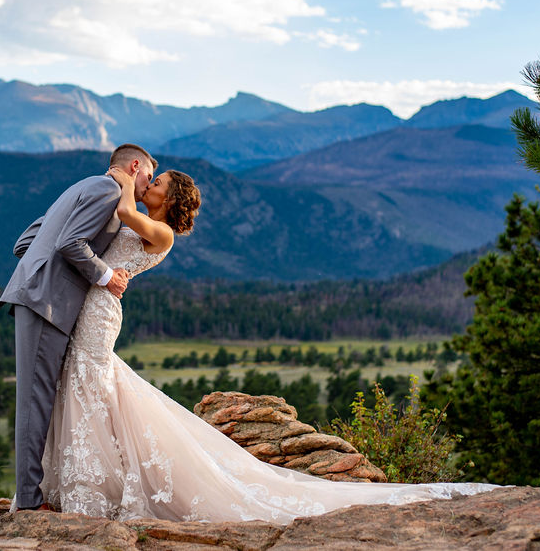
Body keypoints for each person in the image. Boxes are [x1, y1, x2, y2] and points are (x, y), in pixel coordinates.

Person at [39, 167, 499, 523]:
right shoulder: (146, 221)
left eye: (155, 181)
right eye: (148, 179)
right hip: (94, 303)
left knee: (91, 382)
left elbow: (123, 214)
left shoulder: (161, 235)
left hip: (101, 315)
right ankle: (90, 478)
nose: (148, 183)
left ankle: (96, 485)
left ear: (170, 199)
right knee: (87, 385)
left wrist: (122, 178)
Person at [0, 143, 157, 511]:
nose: (148, 186)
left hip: (39, 297)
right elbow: (71, 242)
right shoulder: (107, 191)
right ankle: (28, 501)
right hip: (47, 304)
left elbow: (26, 241)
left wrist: (45, 269)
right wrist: (105, 277)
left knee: (39, 399)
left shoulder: (82, 186)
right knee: (35, 401)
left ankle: (30, 494)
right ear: (134, 166)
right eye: (148, 176)